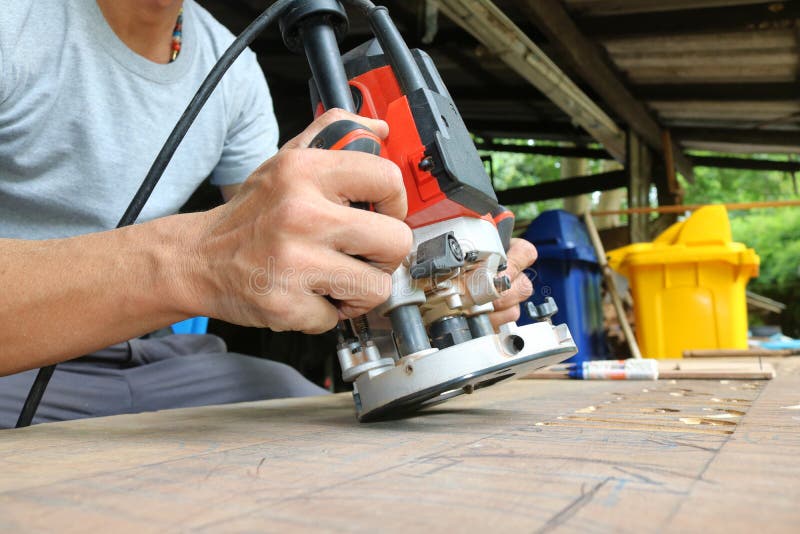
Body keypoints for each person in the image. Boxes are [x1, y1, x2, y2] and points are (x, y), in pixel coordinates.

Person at [0, 0, 536, 427]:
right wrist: (194, 261)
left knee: (315, 427)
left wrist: (409, 284)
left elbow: (283, 251)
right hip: (17, 362)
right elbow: (227, 251)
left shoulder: (233, 71)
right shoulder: (17, 22)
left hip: (164, 362)